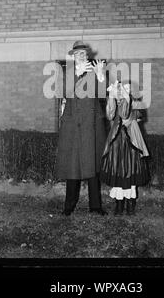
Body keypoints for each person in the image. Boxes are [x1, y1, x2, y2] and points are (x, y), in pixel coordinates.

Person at [55, 41, 108, 216]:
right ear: (73, 57)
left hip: (90, 126)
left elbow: (102, 94)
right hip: (73, 127)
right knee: (73, 167)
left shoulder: (94, 72)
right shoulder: (67, 73)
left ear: (87, 56)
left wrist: (101, 77)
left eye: (84, 54)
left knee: (92, 166)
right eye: (78, 54)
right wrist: (76, 74)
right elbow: (63, 93)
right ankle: (69, 206)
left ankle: (96, 206)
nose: (82, 56)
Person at [100, 80, 150, 215]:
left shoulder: (133, 103)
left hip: (131, 141)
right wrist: (111, 97)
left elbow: (125, 115)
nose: (121, 92)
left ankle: (130, 204)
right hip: (116, 140)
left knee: (130, 169)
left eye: (124, 90)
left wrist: (126, 99)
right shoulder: (116, 101)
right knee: (118, 170)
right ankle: (119, 204)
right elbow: (110, 115)